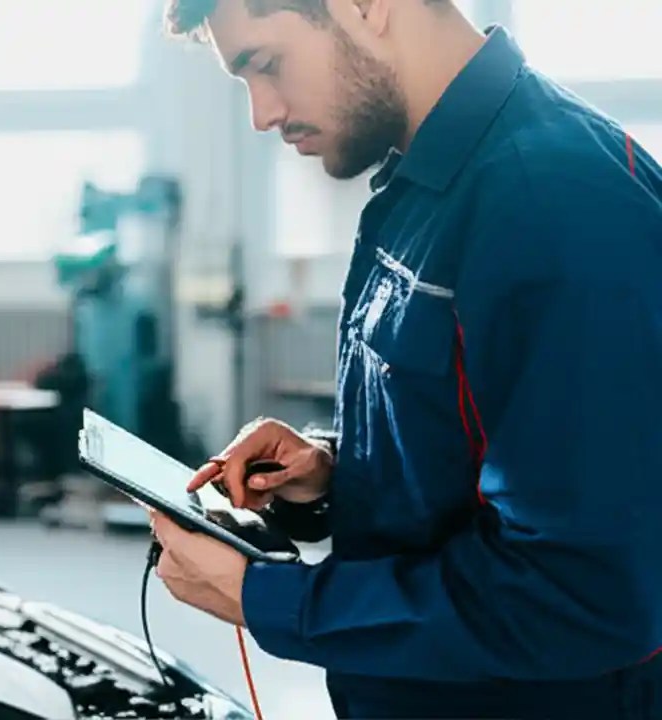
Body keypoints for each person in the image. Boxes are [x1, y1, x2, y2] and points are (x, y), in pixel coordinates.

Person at [147, 1, 662, 718]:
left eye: (267, 65)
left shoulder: (555, 202)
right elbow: (490, 445)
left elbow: (583, 594)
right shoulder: (427, 183)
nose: (263, 115)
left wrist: (267, 598)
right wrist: (330, 473)